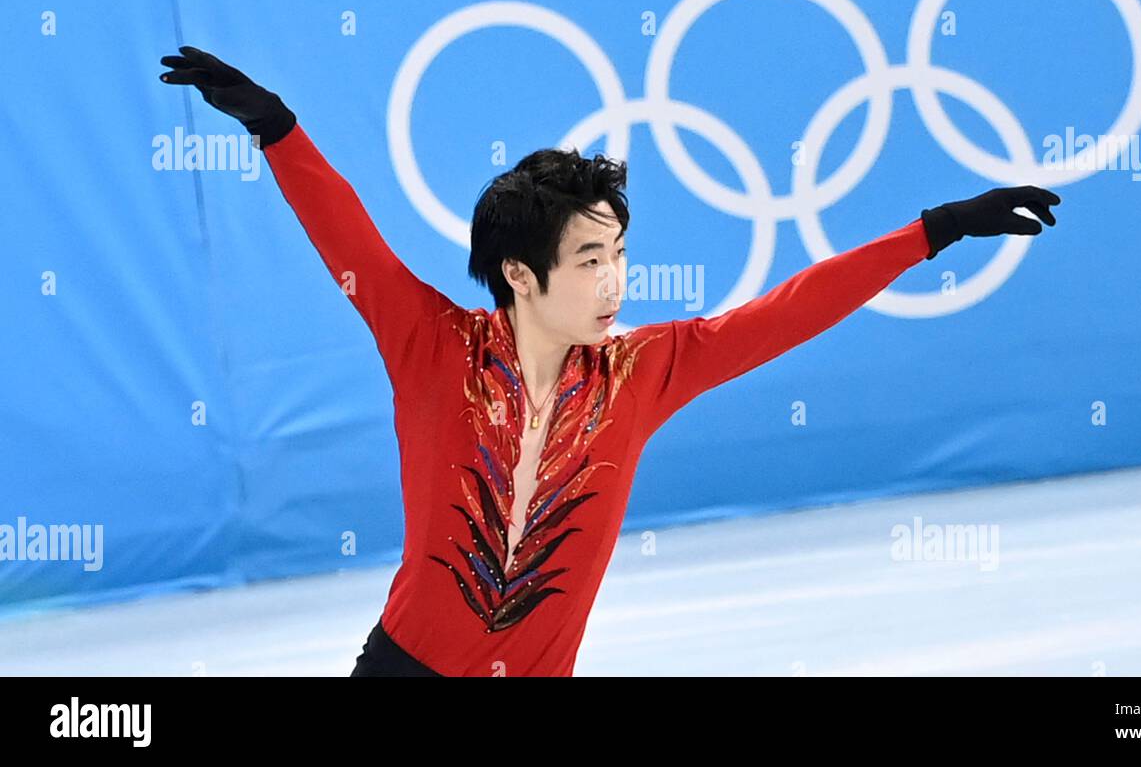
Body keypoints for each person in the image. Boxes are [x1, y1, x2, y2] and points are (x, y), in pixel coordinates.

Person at [159, 45, 1060, 676]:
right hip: (407, 670)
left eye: (619, 256)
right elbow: (346, 232)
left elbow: (791, 310)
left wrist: (932, 232)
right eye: (590, 260)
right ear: (520, 272)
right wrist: (275, 127)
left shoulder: (646, 371)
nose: (614, 281)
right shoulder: (432, 346)